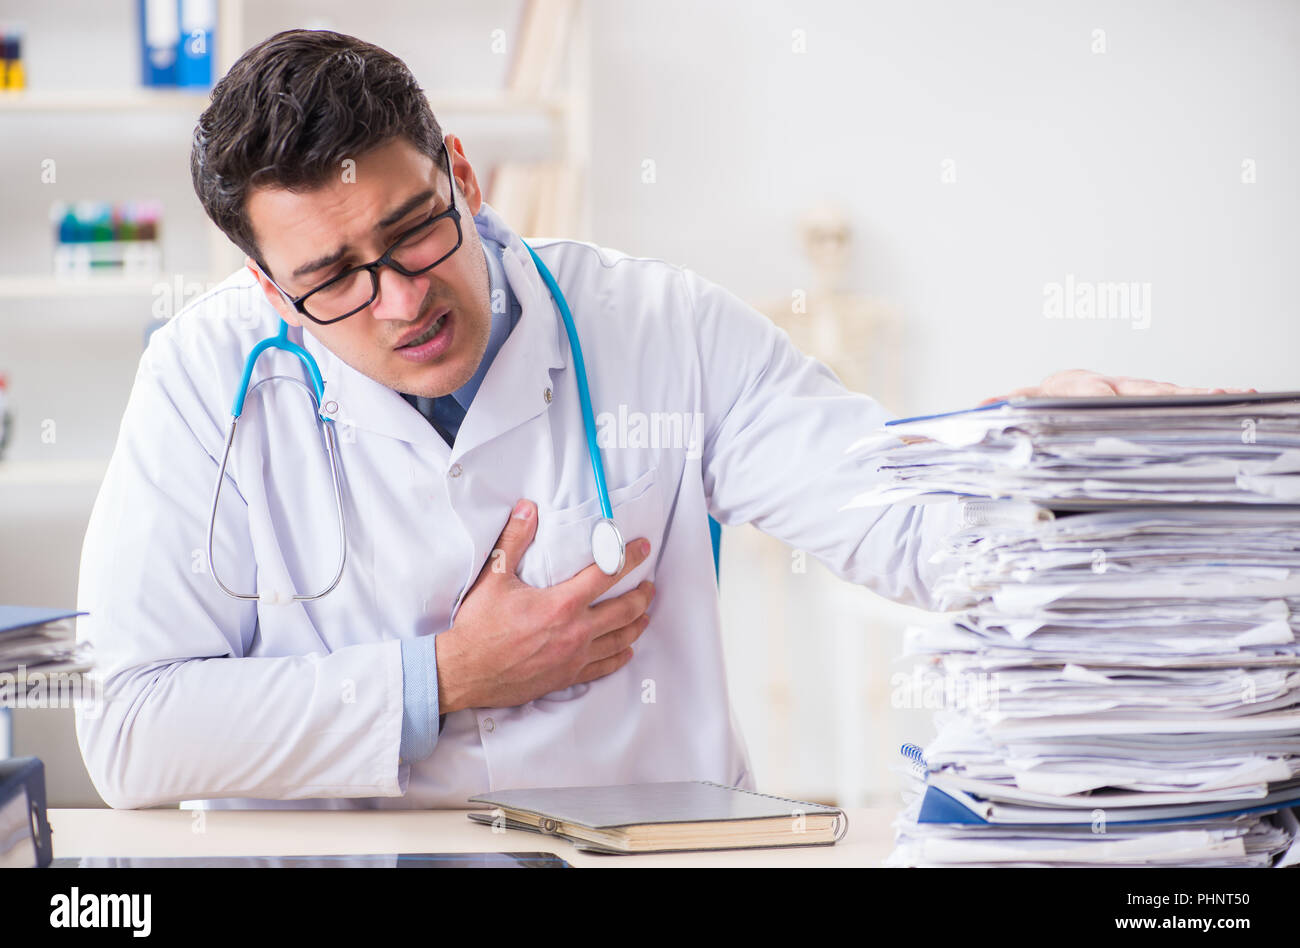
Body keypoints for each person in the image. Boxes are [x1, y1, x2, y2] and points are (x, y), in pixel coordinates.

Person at [74, 30, 1236, 810]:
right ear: (270, 290)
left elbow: (899, 520)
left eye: (416, 228)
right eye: (334, 278)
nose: (402, 298)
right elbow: (127, 732)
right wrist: (442, 679)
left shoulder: (656, 324)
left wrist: (1054, 468)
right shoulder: (202, 380)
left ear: (464, 177)